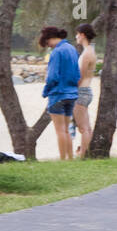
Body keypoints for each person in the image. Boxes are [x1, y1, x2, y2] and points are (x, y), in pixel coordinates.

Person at [38, 25, 80, 160]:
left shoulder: (57, 52)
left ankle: (62, 159)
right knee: (66, 129)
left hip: (58, 94)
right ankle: (70, 158)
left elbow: (52, 77)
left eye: (47, 43)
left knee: (60, 130)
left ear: (49, 39)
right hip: (72, 94)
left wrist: (45, 91)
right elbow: (77, 73)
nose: (48, 46)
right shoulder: (72, 49)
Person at [73, 23, 97, 157]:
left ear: (82, 35)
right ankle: (88, 152)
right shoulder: (89, 51)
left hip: (81, 92)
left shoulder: (87, 53)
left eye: (77, 34)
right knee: (86, 126)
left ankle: (83, 154)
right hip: (86, 91)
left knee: (83, 128)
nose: (76, 36)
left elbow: (80, 76)